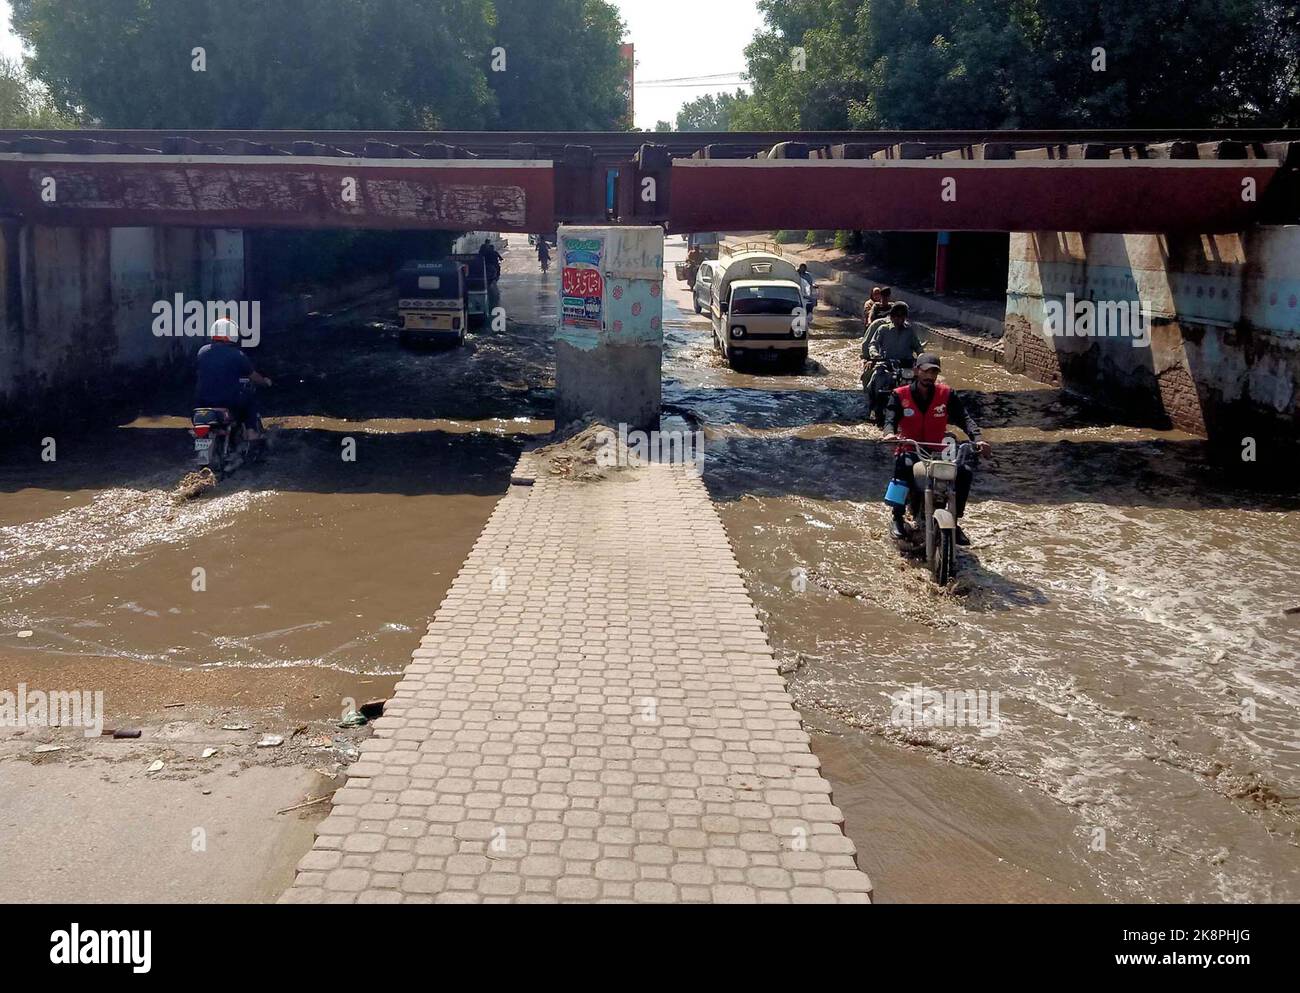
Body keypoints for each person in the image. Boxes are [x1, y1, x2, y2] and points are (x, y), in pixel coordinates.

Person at [881, 352, 990, 546]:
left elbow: (965, 418)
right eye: (925, 371)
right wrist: (889, 434)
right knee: (903, 465)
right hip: (911, 447)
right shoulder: (900, 394)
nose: (929, 377)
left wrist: (978, 439)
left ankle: (954, 520)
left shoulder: (947, 394)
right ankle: (897, 517)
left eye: (933, 373)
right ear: (916, 371)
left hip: (938, 450)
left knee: (964, 472)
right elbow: (890, 420)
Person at [195, 318, 271, 440]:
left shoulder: (202, 352)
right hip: (228, 403)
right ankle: (251, 431)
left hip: (202, 403)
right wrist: (265, 382)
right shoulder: (237, 355)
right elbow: (254, 376)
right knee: (249, 398)